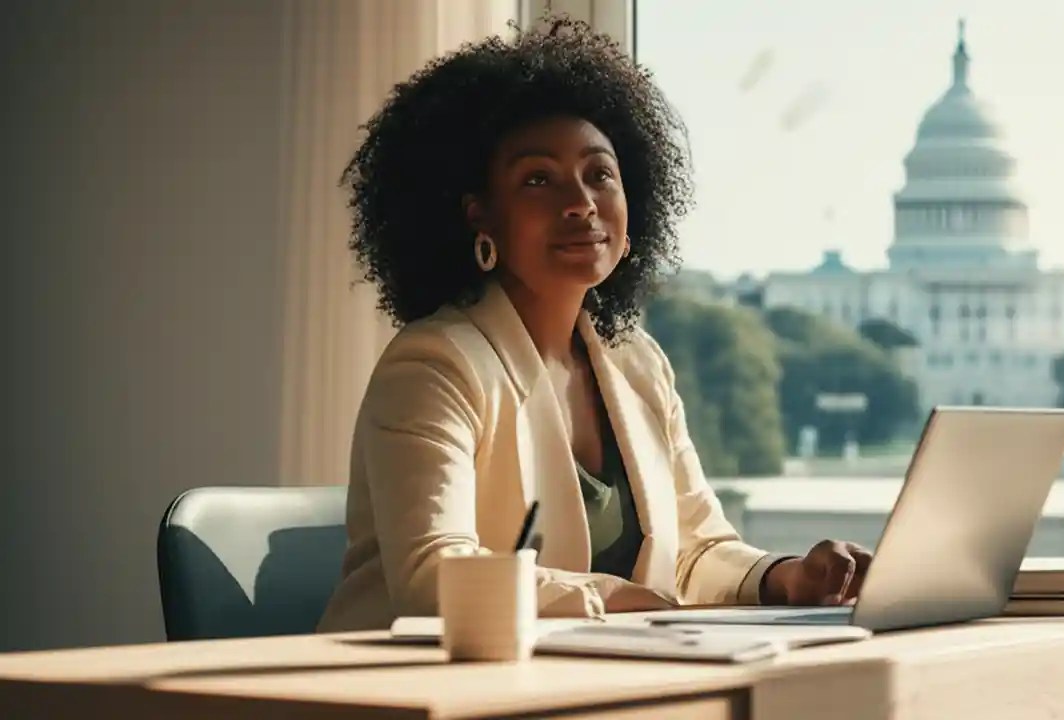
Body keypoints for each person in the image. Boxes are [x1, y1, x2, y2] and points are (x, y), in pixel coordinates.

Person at [317, 18, 871, 632]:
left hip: (586, 674)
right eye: (537, 179)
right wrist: (602, 598)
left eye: (599, 173)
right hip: (412, 686)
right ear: (481, 217)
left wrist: (785, 576)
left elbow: (696, 550)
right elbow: (433, 576)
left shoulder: (637, 363)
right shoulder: (433, 365)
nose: (579, 201)